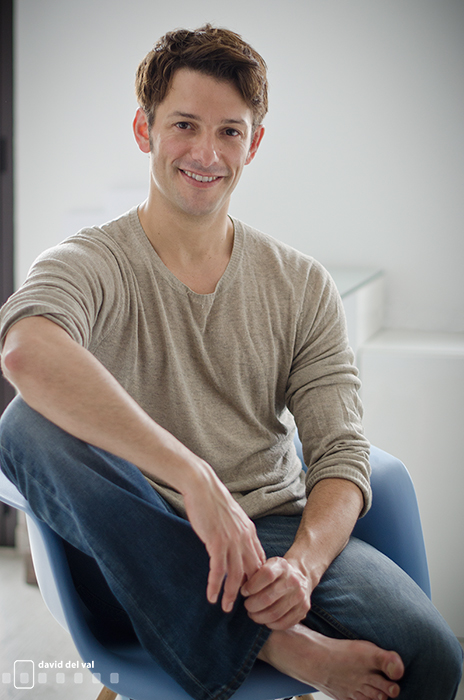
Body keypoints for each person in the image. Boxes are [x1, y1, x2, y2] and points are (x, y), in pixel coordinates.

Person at [0, 24, 461, 700]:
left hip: (271, 529)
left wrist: (302, 568)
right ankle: (274, 644)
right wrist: (193, 479)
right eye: (184, 125)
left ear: (255, 143)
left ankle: (243, 627)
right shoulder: (89, 262)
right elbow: (24, 350)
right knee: (22, 426)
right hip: (134, 538)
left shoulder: (301, 284)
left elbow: (340, 451)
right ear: (145, 130)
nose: (206, 153)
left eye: (230, 132)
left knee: (433, 659)